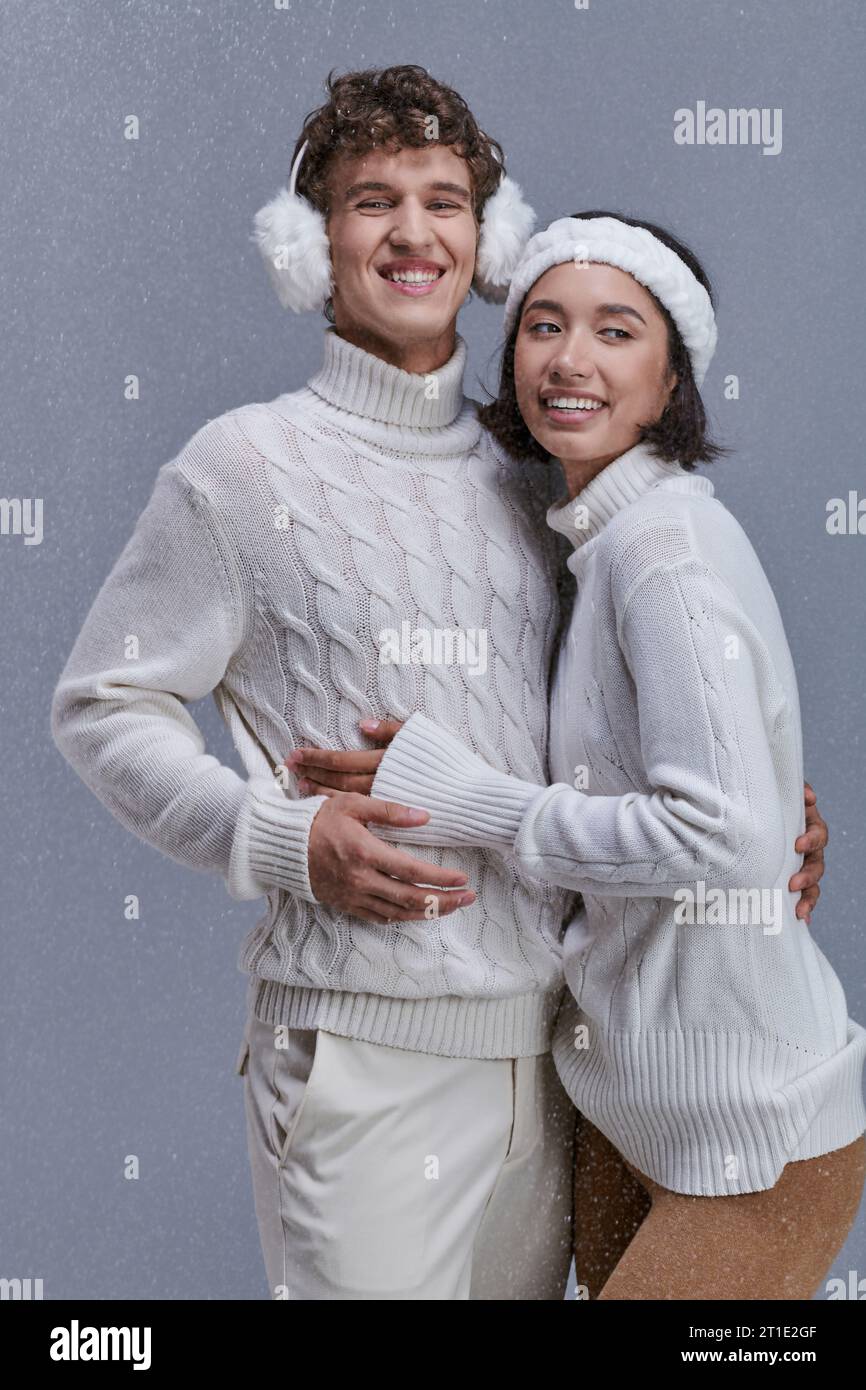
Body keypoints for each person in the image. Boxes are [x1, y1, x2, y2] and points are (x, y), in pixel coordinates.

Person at [49, 61, 828, 1301]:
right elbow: (101, 700)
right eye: (371, 199)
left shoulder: (546, 482)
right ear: (313, 244)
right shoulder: (240, 470)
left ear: (486, 238)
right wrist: (272, 835)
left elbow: (641, 717)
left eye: (444, 199)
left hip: (557, 1065)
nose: (412, 230)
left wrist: (759, 807)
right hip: (361, 1062)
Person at [291, 210, 866, 1299]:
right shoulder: (588, 541)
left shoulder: (662, 552)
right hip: (624, 1108)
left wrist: (469, 800)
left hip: (749, 1134)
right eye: (543, 325)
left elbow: (726, 836)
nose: (569, 358)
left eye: (615, 332)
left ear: (670, 382)